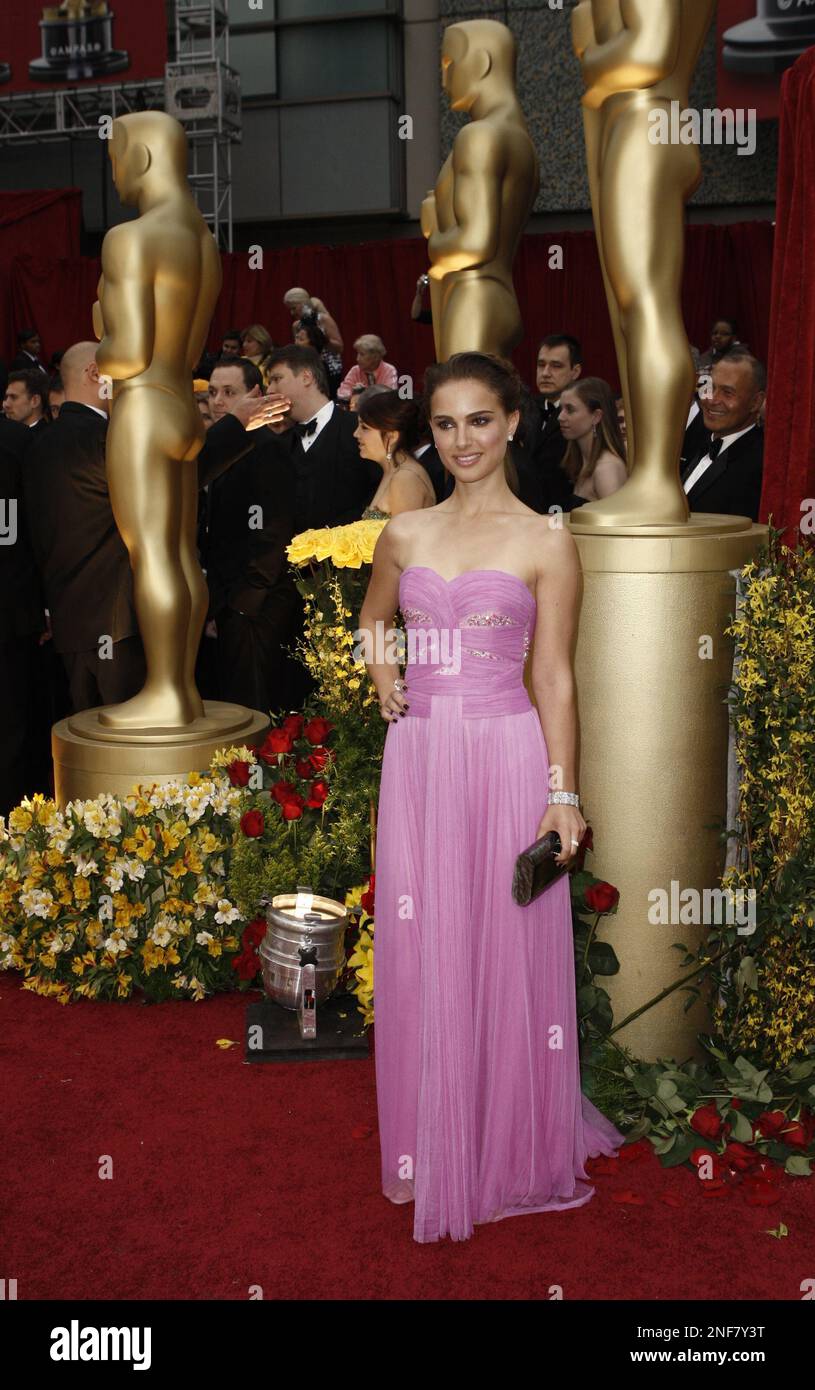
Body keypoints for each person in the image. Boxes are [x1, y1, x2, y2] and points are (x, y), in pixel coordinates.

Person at [359, 351, 622, 1244]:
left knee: (504, 944)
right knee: (424, 943)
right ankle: (438, 1141)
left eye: (479, 420)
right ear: (425, 433)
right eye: (444, 423)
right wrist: (381, 664)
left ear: (513, 422)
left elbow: (554, 676)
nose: (462, 439)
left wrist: (563, 794)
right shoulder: (404, 532)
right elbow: (370, 619)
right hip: (420, 758)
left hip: (508, 753)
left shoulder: (549, 539)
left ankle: (509, 1145)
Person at [22, 341, 146, 713]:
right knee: (127, 747)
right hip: (117, 622)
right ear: (96, 374)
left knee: (86, 741)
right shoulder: (107, 438)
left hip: (68, 623)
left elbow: (32, 537)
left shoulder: (38, 445)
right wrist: (236, 427)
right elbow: (170, 489)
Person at [203, 356, 307, 713]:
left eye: (229, 392)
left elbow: (274, 533)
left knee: (255, 704)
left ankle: (262, 769)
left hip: (256, 606)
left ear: (255, 395)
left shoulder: (266, 450)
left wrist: (245, 604)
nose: (217, 401)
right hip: (228, 601)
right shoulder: (218, 448)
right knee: (234, 700)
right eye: (213, 392)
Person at [263, 345, 380, 531]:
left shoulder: (360, 430)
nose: (269, 390)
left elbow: (382, 500)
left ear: (306, 377)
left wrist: (347, 535)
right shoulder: (278, 444)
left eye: (277, 379)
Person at [680, 349, 765, 521]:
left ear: (755, 402)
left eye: (727, 393)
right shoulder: (699, 443)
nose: (711, 399)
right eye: (710, 387)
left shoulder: (761, 462)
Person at [353, 390, 436, 518]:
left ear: (391, 437)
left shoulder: (405, 478)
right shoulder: (394, 471)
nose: (356, 434)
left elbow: (405, 537)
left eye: (365, 428)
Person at [558, 378, 628, 511]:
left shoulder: (607, 468)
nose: (560, 417)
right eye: (561, 409)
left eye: (570, 409)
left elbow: (614, 528)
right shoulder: (584, 463)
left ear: (596, 416)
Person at [531, 334, 583, 512]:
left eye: (556, 366)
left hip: (564, 516)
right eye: (541, 365)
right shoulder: (522, 409)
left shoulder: (584, 416)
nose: (545, 373)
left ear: (575, 372)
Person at [337, 335, 398, 402]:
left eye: (362, 354)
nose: (357, 359)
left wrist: (365, 394)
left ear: (375, 357)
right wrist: (353, 393)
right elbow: (341, 393)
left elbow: (390, 395)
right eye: (357, 354)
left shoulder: (389, 370)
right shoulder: (355, 370)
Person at [283, 287, 343, 353]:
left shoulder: (324, 319)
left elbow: (340, 348)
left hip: (328, 362)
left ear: (304, 304)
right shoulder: (296, 326)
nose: (292, 313)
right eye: (290, 310)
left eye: (294, 308)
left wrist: (324, 340)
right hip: (308, 362)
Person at [294, 317, 343, 399]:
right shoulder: (295, 363)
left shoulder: (321, 367)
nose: (296, 343)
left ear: (312, 344)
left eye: (301, 339)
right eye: (296, 338)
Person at [3, 370, 49, 434]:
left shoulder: (48, 438)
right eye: (6, 397)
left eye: (13, 397)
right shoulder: (5, 430)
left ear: (35, 401)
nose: (5, 404)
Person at [240, 324, 276, 388]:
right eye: (244, 341)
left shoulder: (272, 363)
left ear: (262, 342)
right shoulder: (239, 361)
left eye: (249, 341)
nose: (244, 345)